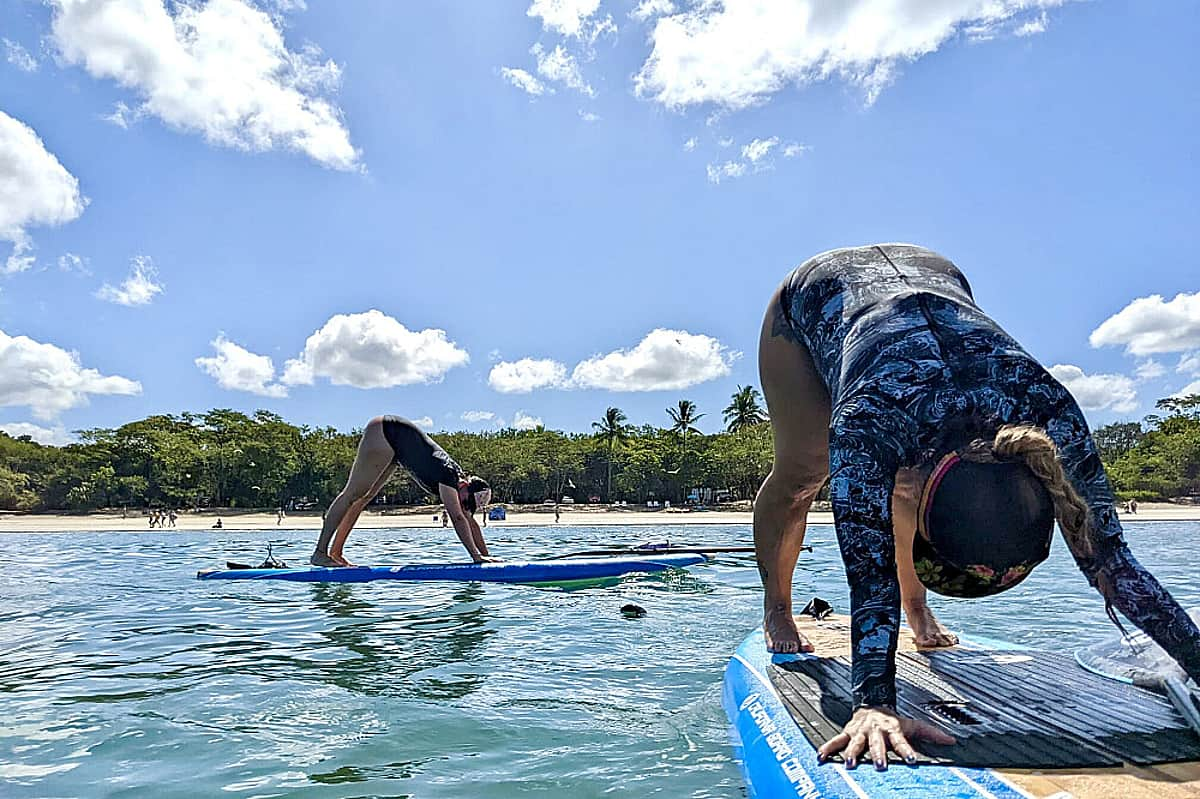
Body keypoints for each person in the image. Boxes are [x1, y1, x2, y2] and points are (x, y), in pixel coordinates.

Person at [755, 244, 1200, 770]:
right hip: (812, 297)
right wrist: (874, 703)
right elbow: (868, 576)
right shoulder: (868, 419)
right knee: (804, 472)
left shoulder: (1048, 410)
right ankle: (778, 608)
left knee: (902, 465)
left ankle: (918, 609)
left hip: (938, 277)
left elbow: (1112, 562)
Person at [311, 415, 493, 567]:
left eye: (471, 506)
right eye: (468, 502)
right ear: (465, 487)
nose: (466, 507)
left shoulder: (460, 484)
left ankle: (336, 553)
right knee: (353, 494)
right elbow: (458, 518)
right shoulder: (449, 476)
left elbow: (468, 519)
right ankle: (320, 552)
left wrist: (486, 557)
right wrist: (475, 557)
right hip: (386, 432)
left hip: (396, 446)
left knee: (364, 498)